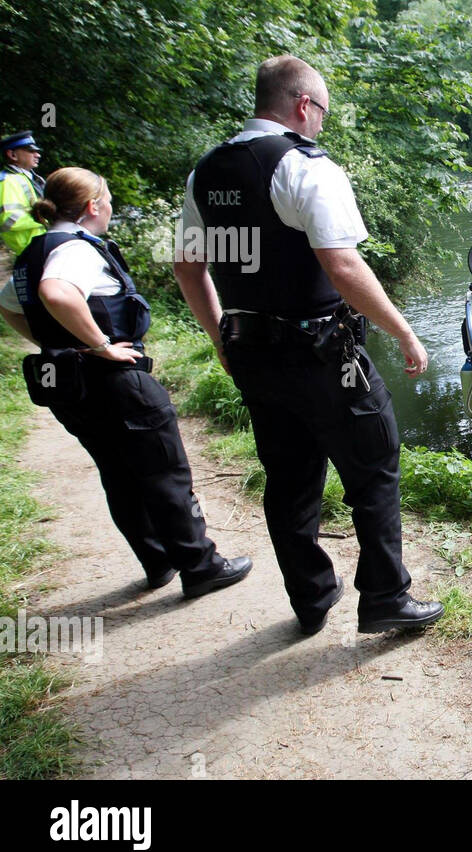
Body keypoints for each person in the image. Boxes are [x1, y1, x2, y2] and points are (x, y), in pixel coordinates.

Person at [173, 54, 442, 637]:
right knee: (373, 463)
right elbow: (342, 265)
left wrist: (221, 334)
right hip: (322, 353)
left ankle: (311, 598)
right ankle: (385, 596)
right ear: (302, 105)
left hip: (252, 353)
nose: (321, 122)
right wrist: (404, 330)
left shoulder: (205, 173)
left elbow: (187, 268)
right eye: (321, 110)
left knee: (289, 475)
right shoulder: (304, 166)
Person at [0, 167, 252, 595]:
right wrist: (100, 345)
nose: (112, 206)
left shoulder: (33, 251)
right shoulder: (74, 249)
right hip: (115, 379)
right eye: (109, 198)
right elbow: (57, 293)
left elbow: (8, 304)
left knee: (117, 474)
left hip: (70, 386)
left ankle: (157, 563)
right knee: (165, 473)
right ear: (92, 206)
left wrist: (53, 342)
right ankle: (201, 567)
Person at [0, 131, 47, 278]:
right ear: (12, 155)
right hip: (32, 251)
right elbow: (8, 221)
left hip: (39, 248)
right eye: (31, 151)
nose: (37, 155)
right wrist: (44, 217)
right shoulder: (7, 181)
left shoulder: (30, 178)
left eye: (37, 151)